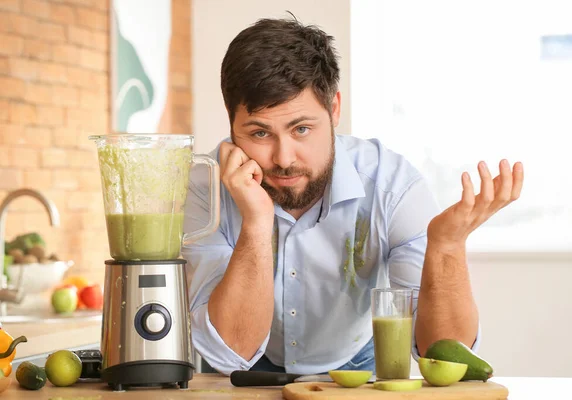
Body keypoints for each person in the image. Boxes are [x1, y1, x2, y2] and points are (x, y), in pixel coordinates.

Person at [182, 17, 524, 376]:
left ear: (334, 110)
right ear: (231, 124)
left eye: (301, 128)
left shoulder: (391, 186)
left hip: (356, 369)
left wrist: (447, 245)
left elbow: (443, 356)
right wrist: (255, 222)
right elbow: (229, 353)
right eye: (260, 133)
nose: (283, 158)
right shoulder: (206, 189)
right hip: (243, 374)